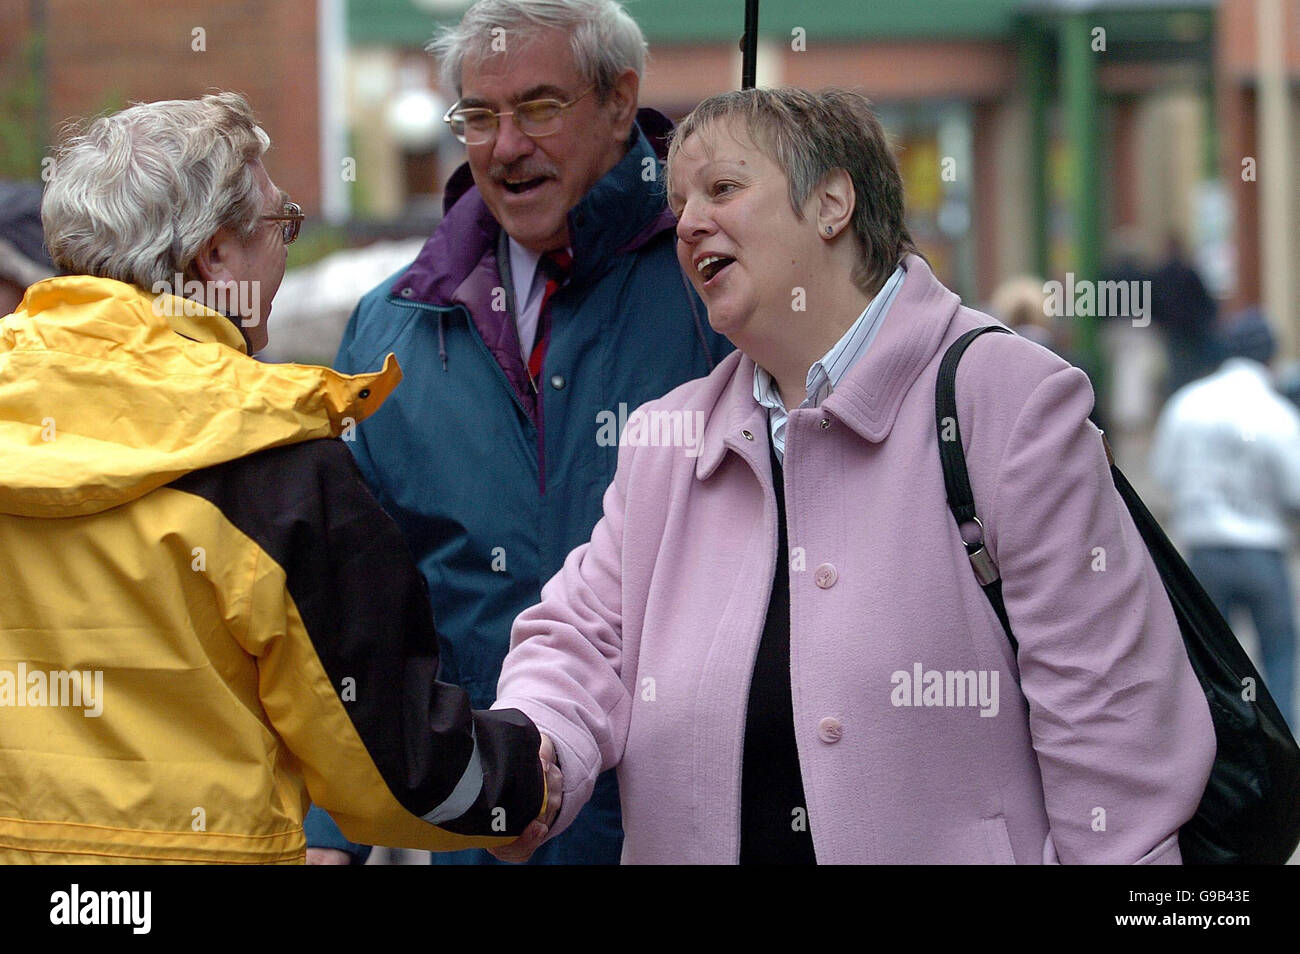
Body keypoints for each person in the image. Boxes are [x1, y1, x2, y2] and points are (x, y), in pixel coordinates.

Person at [492, 86, 1216, 864]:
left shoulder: (1003, 397)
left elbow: (1110, 718)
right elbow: (579, 640)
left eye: (724, 188)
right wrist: (535, 747)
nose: (689, 222)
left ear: (833, 201)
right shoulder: (666, 439)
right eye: (679, 203)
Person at [0, 92, 557, 863]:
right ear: (214, 258)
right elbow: (388, 761)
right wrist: (519, 782)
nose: (287, 248)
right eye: (279, 224)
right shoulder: (271, 460)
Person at [308, 0, 730, 865]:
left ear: (620, 100)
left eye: (540, 107)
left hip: (693, 820)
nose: (505, 146)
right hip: (482, 835)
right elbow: (351, 600)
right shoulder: (390, 328)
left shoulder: (722, 287)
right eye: (479, 115)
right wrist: (328, 826)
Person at [1151, 309, 1300, 730]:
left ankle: (1220, 747)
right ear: (1269, 356)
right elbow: (1295, 489)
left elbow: (1163, 473)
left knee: (1211, 665)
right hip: (1264, 554)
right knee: (1279, 655)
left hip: (1204, 553)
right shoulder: (1278, 413)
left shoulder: (1189, 401)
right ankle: (1282, 756)